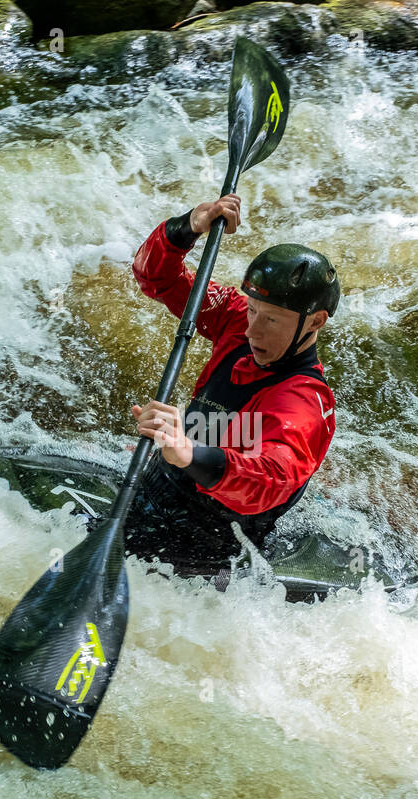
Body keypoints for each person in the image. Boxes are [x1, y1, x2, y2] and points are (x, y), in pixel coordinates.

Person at [124, 193, 339, 575]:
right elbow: (155, 277)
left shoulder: (304, 401)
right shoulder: (235, 316)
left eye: (271, 320)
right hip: (154, 495)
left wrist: (189, 452)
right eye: (253, 309)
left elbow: (271, 479)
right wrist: (186, 227)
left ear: (316, 321)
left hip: (208, 549)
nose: (252, 328)